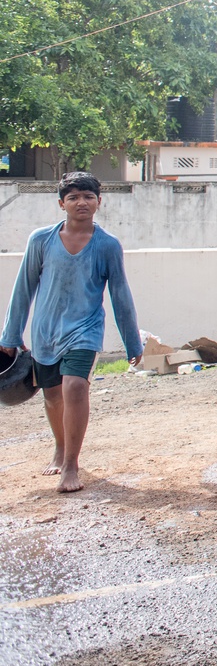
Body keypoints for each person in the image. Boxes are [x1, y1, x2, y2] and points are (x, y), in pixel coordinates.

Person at [1, 172, 143, 493]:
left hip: (85, 331)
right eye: (74, 197)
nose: (82, 202)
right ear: (61, 203)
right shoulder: (41, 240)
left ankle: (71, 465)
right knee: (52, 397)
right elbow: (23, 289)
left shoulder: (107, 246)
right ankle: (60, 447)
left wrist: (132, 340)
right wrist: (10, 339)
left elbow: (120, 294)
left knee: (76, 387)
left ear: (99, 202)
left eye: (88, 196)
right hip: (45, 333)